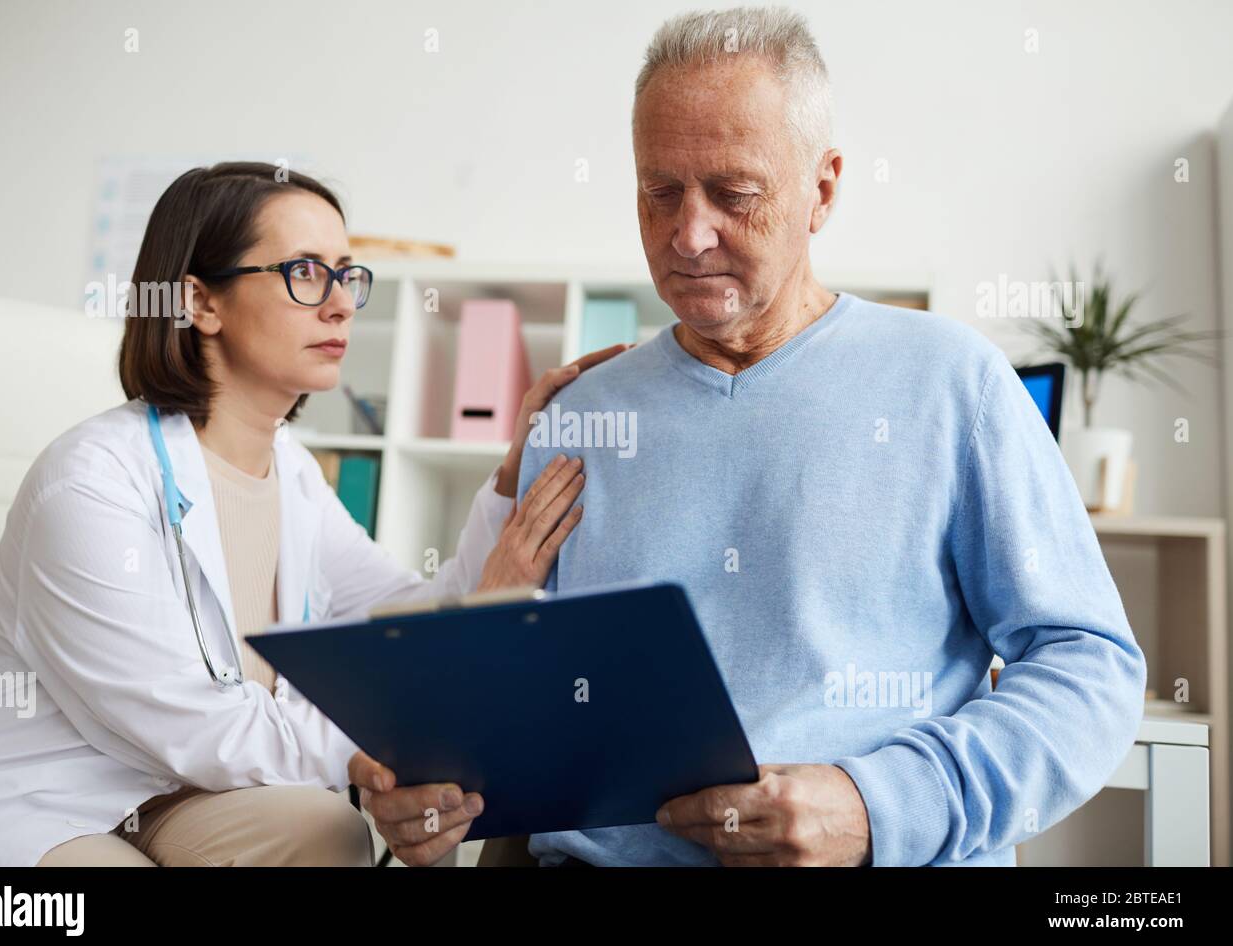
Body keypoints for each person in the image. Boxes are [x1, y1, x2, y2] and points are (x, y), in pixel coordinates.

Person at [360, 6, 1147, 867]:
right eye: (660, 192)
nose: (688, 235)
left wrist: (877, 807)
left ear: (824, 187)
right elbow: (533, 725)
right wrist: (439, 798)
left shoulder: (955, 384)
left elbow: (1089, 668)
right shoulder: (581, 416)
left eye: (734, 194)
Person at [0, 162, 622, 866]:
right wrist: (376, 754)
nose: (340, 305)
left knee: (329, 833)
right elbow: (207, 729)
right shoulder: (88, 482)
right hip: (45, 800)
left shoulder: (289, 469)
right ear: (200, 303)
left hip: (182, 798)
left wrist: (511, 480)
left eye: (347, 275)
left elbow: (399, 617)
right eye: (304, 272)